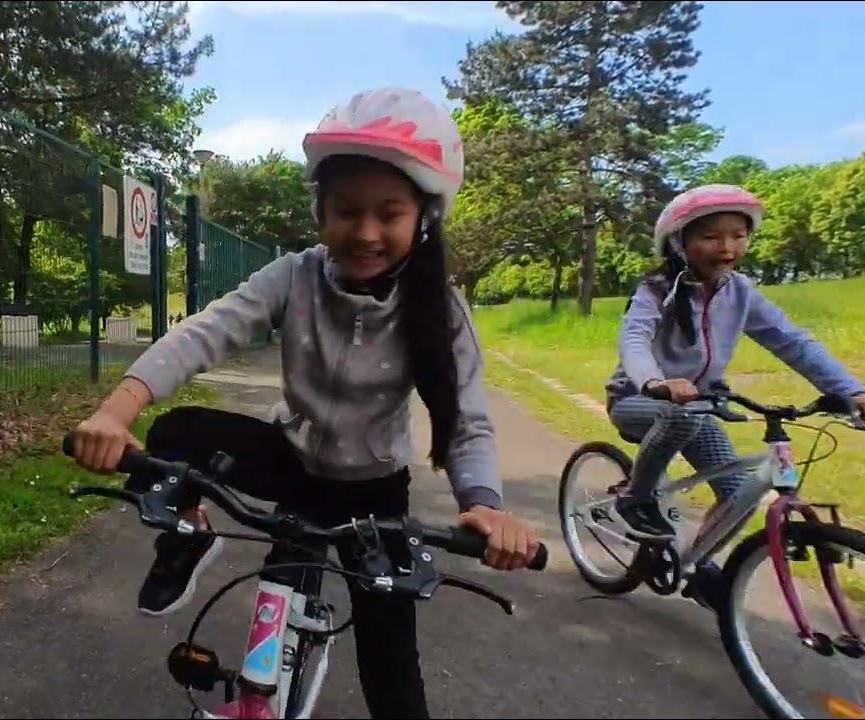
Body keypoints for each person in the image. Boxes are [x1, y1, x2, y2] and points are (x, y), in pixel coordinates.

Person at [67, 86, 539, 719]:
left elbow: (466, 420)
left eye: (389, 213)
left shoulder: (439, 308)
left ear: (422, 218)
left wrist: (483, 506)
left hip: (376, 498)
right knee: (176, 431)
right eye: (346, 209)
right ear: (321, 210)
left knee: (393, 675)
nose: (365, 232)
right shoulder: (293, 276)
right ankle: (188, 534)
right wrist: (114, 412)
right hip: (291, 465)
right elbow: (202, 334)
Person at [605, 183, 865, 553]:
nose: (727, 247)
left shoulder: (740, 292)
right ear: (679, 242)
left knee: (739, 494)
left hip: (700, 405)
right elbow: (633, 339)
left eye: (738, 236)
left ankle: (698, 564)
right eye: (711, 236)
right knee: (683, 418)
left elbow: (793, 341)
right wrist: (654, 382)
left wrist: (852, 390)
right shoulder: (656, 289)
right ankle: (636, 498)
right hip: (638, 399)